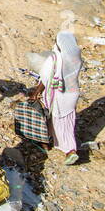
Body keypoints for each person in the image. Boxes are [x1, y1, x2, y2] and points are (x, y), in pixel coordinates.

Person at [29, 31, 83, 165]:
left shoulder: (55, 58)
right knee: (67, 122)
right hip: (72, 93)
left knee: (54, 118)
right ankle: (63, 145)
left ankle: (68, 150)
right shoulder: (75, 55)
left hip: (58, 94)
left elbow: (46, 77)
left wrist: (36, 92)